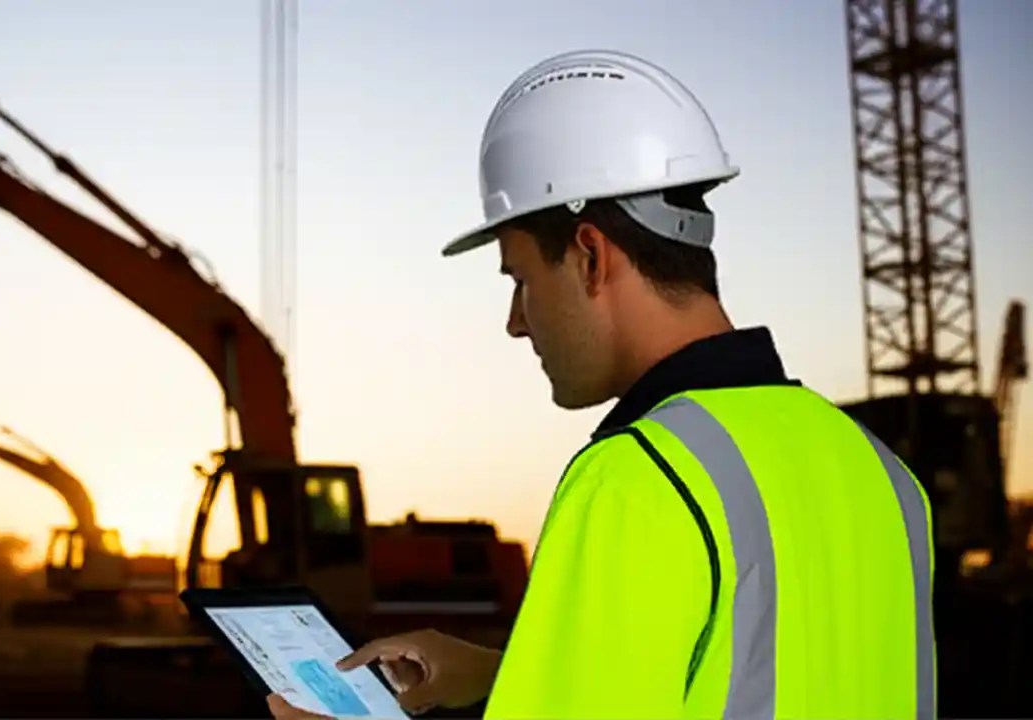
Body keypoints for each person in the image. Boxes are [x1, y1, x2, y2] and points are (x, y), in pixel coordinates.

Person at [268, 48, 935, 720]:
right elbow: (763, 673)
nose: (515, 323)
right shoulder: (881, 472)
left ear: (589, 256)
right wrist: (507, 674)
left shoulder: (635, 478)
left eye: (520, 280)